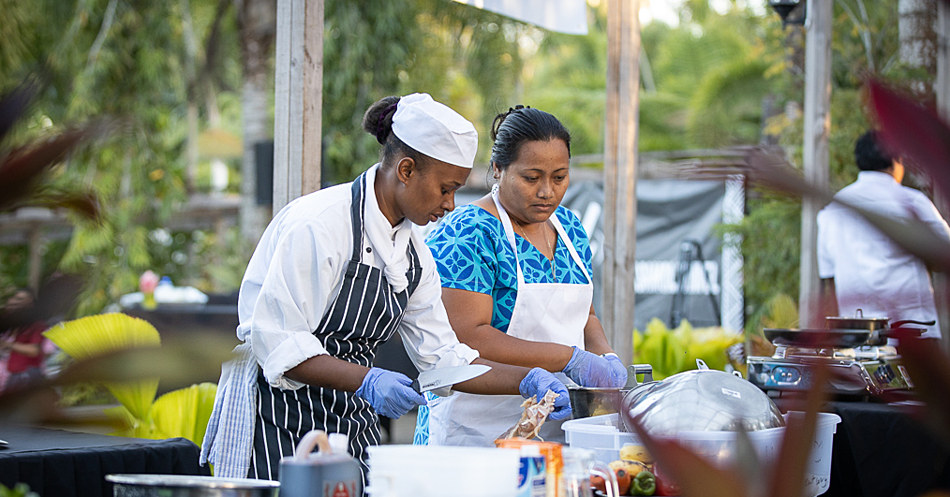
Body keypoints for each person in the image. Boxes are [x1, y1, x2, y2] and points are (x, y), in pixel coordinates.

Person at [200, 94, 571, 482]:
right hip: (278, 424)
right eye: (445, 189)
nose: (450, 204)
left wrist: (528, 379)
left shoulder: (414, 255)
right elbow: (278, 342)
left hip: (351, 422)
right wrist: (368, 379)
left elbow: (444, 360)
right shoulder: (321, 224)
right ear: (406, 170)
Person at [414, 106, 627, 447]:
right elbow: (468, 337)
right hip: (472, 432)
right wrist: (569, 358)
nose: (547, 192)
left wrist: (604, 360)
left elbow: (585, 316)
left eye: (559, 177)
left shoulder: (570, 228)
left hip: (555, 427)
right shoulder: (468, 231)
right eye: (532, 178)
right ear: (498, 169)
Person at [817, 130, 950, 340]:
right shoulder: (912, 202)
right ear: (897, 160)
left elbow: (828, 282)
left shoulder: (832, 209)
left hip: (856, 335)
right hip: (913, 331)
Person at [1, 288, 47, 391]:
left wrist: (7, 344)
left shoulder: (36, 324)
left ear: (30, 303)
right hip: (15, 375)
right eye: (16, 299)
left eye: (21, 300)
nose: (17, 303)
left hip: (26, 375)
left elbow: (34, 350)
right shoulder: (18, 326)